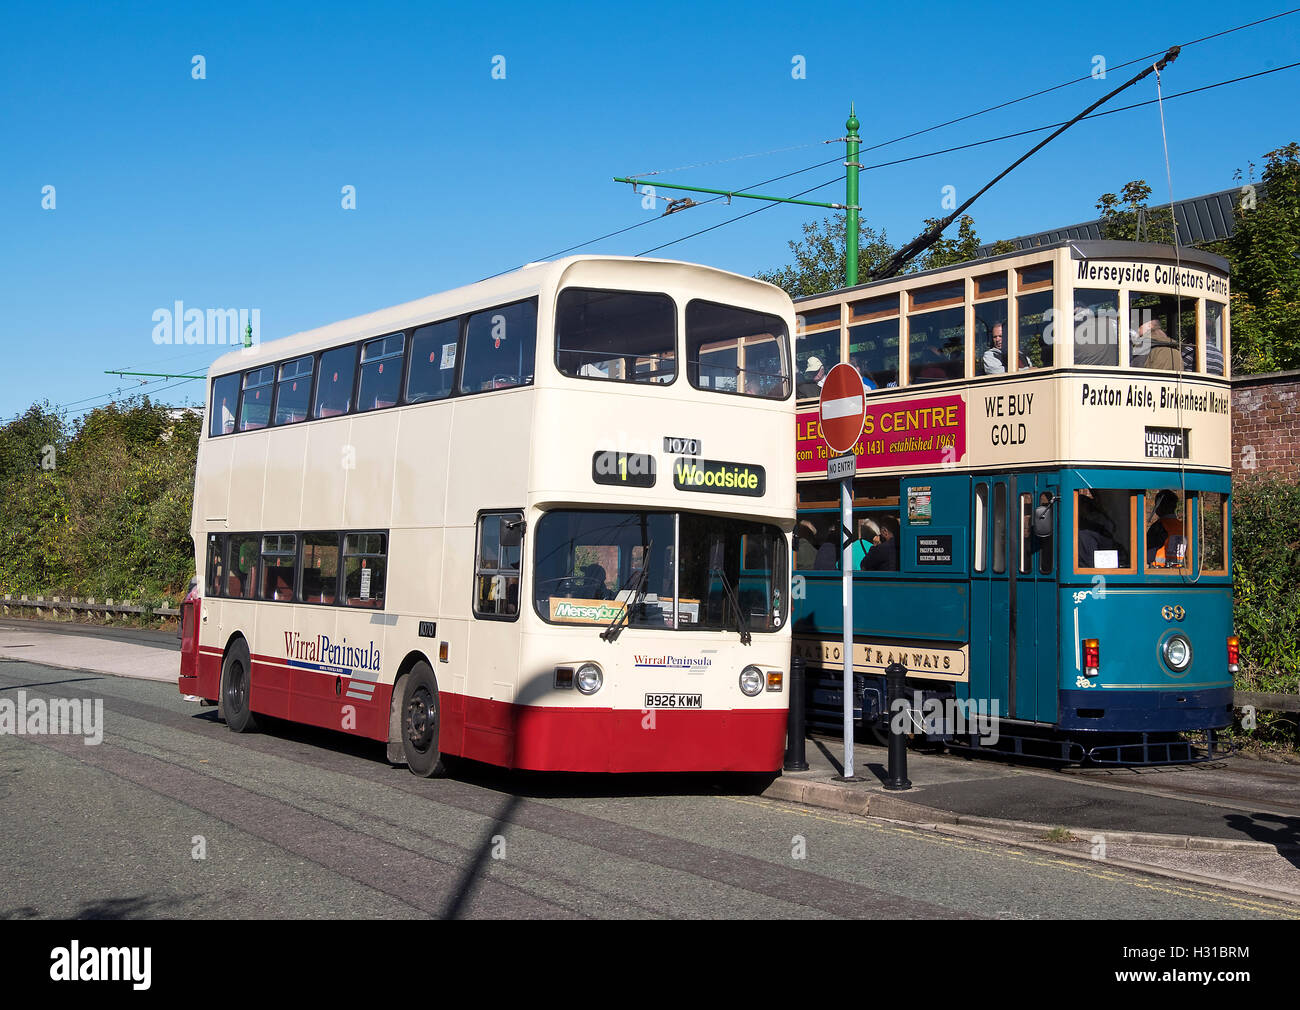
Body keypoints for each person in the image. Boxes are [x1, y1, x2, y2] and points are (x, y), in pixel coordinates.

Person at [1146, 489, 1186, 568]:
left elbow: (1148, 556)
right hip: (1181, 572)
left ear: (1159, 506)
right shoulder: (1184, 527)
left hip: (1159, 573)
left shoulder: (1158, 527)